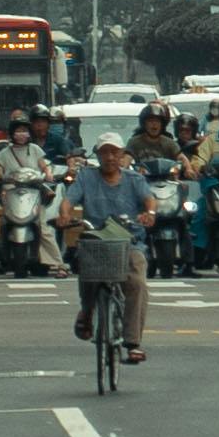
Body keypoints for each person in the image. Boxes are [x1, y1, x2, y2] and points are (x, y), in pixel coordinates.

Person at [63, 133, 155, 362]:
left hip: (128, 243)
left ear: (123, 154)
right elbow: (69, 199)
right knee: (87, 270)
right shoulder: (86, 177)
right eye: (105, 152)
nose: (110, 157)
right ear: (98, 155)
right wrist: (64, 215)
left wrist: (149, 214)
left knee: (136, 282)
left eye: (115, 152)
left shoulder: (134, 179)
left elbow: (149, 200)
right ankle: (87, 311)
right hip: (97, 241)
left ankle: (133, 342)